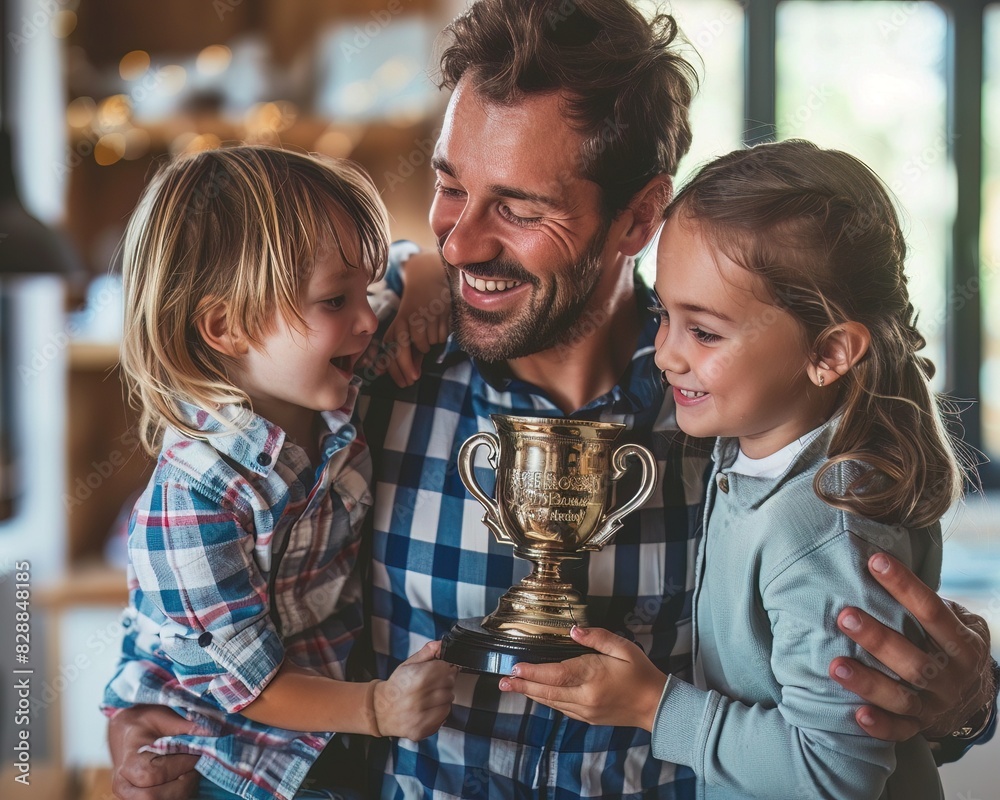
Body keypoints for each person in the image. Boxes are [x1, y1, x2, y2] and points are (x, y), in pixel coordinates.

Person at [107, 2, 998, 799]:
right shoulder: (368, 366)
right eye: (450, 186)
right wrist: (139, 716)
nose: (460, 242)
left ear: (639, 218)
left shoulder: (738, 408)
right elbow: (202, 572)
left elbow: (843, 721)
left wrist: (964, 705)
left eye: (520, 209)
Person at [498, 139, 996, 798]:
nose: (665, 354)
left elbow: (834, 773)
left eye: (704, 332)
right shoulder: (744, 448)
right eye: (665, 315)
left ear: (829, 353)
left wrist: (652, 706)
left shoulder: (824, 533)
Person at [101, 145, 458, 800]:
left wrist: (428, 274)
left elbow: (409, 267)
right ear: (226, 326)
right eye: (336, 300)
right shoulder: (194, 495)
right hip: (232, 762)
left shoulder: (330, 364)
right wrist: (377, 708)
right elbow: (250, 684)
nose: (366, 317)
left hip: (324, 737)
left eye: (364, 291)